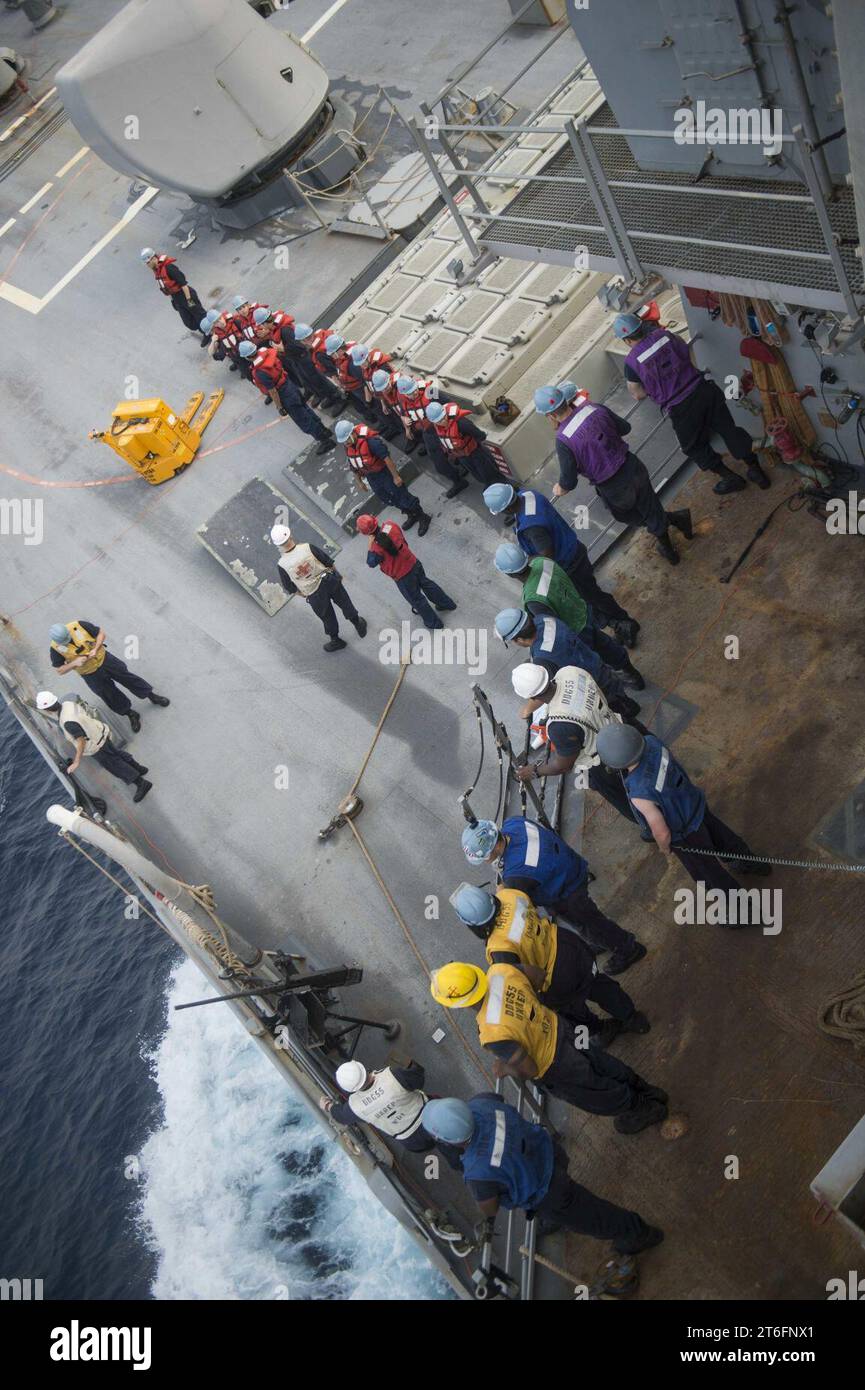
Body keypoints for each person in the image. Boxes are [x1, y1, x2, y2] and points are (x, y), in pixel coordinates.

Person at [429, 962, 666, 1132]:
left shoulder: (492, 1032)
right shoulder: (500, 971)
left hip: (555, 1066)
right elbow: (539, 975)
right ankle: (647, 1090)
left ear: (458, 1004)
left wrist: (506, 1069)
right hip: (561, 1028)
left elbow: (530, 1070)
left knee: (596, 1093)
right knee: (601, 1063)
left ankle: (643, 1108)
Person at [421, 1095, 664, 1253]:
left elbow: (490, 1208)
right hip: (549, 1152)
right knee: (570, 1198)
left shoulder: (477, 1173)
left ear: (446, 1141)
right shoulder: (482, 1103)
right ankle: (553, 1218)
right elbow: (499, 1103)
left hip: (549, 1192)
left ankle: (638, 1233)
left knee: (591, 1215)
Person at [450, 882, 649, 1045]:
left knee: (574, 1012)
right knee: (600, 984)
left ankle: (602, 1031)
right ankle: (632, 1018)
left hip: (555, 978)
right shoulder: (510, 895)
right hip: (568, 945)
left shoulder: (498, 948)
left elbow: (518, 978)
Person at [596, 724, 772, 899]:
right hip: (695, 804)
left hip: (686, 835)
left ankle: (741, 910)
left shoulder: (639, 792)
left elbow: (661, 831)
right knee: (724, 838)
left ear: (614, 763)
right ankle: (752, 864)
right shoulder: (652, 742)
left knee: (708, 873)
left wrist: (664, 847)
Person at [534, 382, 693, 566]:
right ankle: (676, 520)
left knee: (632, 515)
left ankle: (669, 550)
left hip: (613, 486)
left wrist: (560, 488)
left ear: (550, 415)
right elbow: (625, 428)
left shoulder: (563, 440)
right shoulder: (593, 408)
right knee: (650, 509)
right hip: (632, 466)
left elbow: (569, 481)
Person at [462, 816, 644, 974]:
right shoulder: (513, 824)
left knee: (589, 923)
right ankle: (603, 940)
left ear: (493, 849)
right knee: (590, 923)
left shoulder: (516, 875)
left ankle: (628, 948)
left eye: (484, 857)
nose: (485, 862)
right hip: (571, 866)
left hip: (566, 893)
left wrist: (504, 891)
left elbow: (521, 904)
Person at [614, 312, 771, 495]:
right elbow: (684, 351)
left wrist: (657, 387)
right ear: (641, 327)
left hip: (680, 407)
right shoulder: (665, 336)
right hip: (703, 389)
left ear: (626, 340)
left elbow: (637, 392)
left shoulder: (631, 362)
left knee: (693, 447)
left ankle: (729, 477)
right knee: (728, 429)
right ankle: (755, 470)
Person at [484, 483, 639, 645]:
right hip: (572, 550)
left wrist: (530, 563)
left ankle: (625, 624)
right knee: (591, 595)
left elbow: (547, 554)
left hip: (569, 564)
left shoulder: (532, 528)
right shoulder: (528, 494)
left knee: (592, 597)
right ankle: (618, 623)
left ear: (507, 509)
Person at [510, 663, 646, 823]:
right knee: (649, 767)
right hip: (620, 728)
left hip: (606, 763)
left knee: (631, 802)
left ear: (530, 697)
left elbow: (563, 765)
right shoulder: (569, 672)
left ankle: (649, 825)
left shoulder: (559, 726)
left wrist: (534, 771)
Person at [494, 545, 640, 679]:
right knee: (606, 645)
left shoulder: (533, 599)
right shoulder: (542, 562)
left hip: (576, 631)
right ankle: (631, 674)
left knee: (593, 659)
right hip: (582, 611)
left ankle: (620, 680)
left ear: (510, 574)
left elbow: (552, 627)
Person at [494, 607, 644, 709]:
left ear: (518, 639)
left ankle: (635, 726)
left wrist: (527, 710)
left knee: (618, 711)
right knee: (619, 695)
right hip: (596, 664)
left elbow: (544, 689)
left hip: (593, 687)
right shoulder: (543, 619)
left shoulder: (543, 660)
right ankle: (631, 708)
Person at [49, 620, 169, 734]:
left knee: (128, 678)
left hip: (105, 660)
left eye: (67, 637)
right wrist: (74, 663)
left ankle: (152, 696)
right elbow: (60, 670)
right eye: (64, 641)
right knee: (109, 695)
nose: (67, 640)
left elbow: (101, 633)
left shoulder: (79, 625)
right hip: (90, 673)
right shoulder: (55, 648)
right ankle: (131, 714)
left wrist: (95, 649)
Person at [36, 691, 152, 802]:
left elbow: (81, 740)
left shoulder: (67, 722)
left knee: (115, 766)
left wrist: (76, 761)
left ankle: (141, 783)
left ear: (46, 709)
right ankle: (139, 768)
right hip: (99, 732)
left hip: (95, 746)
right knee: (117, 753)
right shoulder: (68, 704)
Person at [271, 524, 366, 653]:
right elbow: (327, 561)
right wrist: (337, 575)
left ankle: (336, 640)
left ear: (278, 545)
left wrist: (303, 593)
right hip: (329, 581)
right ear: (290, 535)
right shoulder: (307, 547)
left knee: (326, 616)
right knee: (345, 602)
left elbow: (289, 587)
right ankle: (358, 624)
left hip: (313, 593)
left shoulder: (281, 564)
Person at [356, 514, 456, 631]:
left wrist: (370, 544)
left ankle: (434, 623)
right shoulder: (390, 525)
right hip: (412, 562)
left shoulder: (375, 549)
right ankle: (446, 603)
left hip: (402, 577)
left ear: (366, 533)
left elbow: (371, 562)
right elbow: (402, 539)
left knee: (417, 600)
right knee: (427, 584)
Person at [334, 419, 431, 534]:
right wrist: (359, 481)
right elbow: (353, 464)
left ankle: (422, 516)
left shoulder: (371, 442)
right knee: (387, 498)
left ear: (352, 433)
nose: (346, 443)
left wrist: (396, 476)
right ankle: (410, 513)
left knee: (402, 495)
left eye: (346, 440)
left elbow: (386, 458)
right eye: (344, 442)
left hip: (385, 473)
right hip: (371, 476)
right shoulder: (348, 445)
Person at [238, 341, 335, 455]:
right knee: (306, 410)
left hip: (285, 395)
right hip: (290, 386)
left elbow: (272, 391)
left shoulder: (259, 372)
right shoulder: (268, 354)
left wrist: (279, 407)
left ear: (248, 357)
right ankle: (324, 431)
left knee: (304, 420)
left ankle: (325, 441)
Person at [319, 1058, 435, 1152]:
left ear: (350, 1089)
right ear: (362, 1067)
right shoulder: (393, 1075)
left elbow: (341, 1116)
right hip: (433, 1118)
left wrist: (328, 1106)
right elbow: (419, 1078)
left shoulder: (354, 1108)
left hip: (412, 1141)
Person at [252, 308, 343, 411]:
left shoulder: (285, 330)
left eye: (262, 325)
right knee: (306, 379)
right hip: (295, 359)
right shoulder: (274, 329)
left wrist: (282, 349)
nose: (261, 327)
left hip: (303, 358)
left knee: (318, 379)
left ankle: (337, 398)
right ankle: (323, 395)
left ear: (265, 323)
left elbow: (299, 346)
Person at [424, 401, 502, 486]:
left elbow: (480, 435)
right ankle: (489, 484)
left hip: (476, 453)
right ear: (433, 422)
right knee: (479, 476)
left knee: (491, 475)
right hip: (463, 457)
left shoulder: (461, 423)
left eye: (443, 417)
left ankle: (501, 485)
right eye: (439, 421)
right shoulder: (435, 428)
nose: (443, 421)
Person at [140, 248, 204, 337]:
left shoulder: (169, 268)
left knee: (200, 315)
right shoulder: (157, 271)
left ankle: (210, 332)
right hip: (176, 298)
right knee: (189, 322)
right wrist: (173, 301)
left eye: (147, 262)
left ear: (153, 258)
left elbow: (183, 284)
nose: (147, 265)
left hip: (186, 294)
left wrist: (189, 300)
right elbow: (167, 289)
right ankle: (203, 330)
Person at [349, 344, 400, 437]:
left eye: (363, 362)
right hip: (382, 397)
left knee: (399, 416)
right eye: (360, 363)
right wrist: (382, 403)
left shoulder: (381, 367)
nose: (362, 365)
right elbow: (367, 383)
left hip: (391, 398)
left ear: (368, 357)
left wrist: (386, 402)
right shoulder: (365, 368)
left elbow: (388, 387)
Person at [323, 334, 376, 421]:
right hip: (354, 389)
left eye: (332, 353)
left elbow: (365, 382)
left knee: (374, 408)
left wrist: (368, 401)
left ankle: (385, 424)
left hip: (361, 389)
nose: (332, 356)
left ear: (339, 350)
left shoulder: (351, 364)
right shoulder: (344, 357)